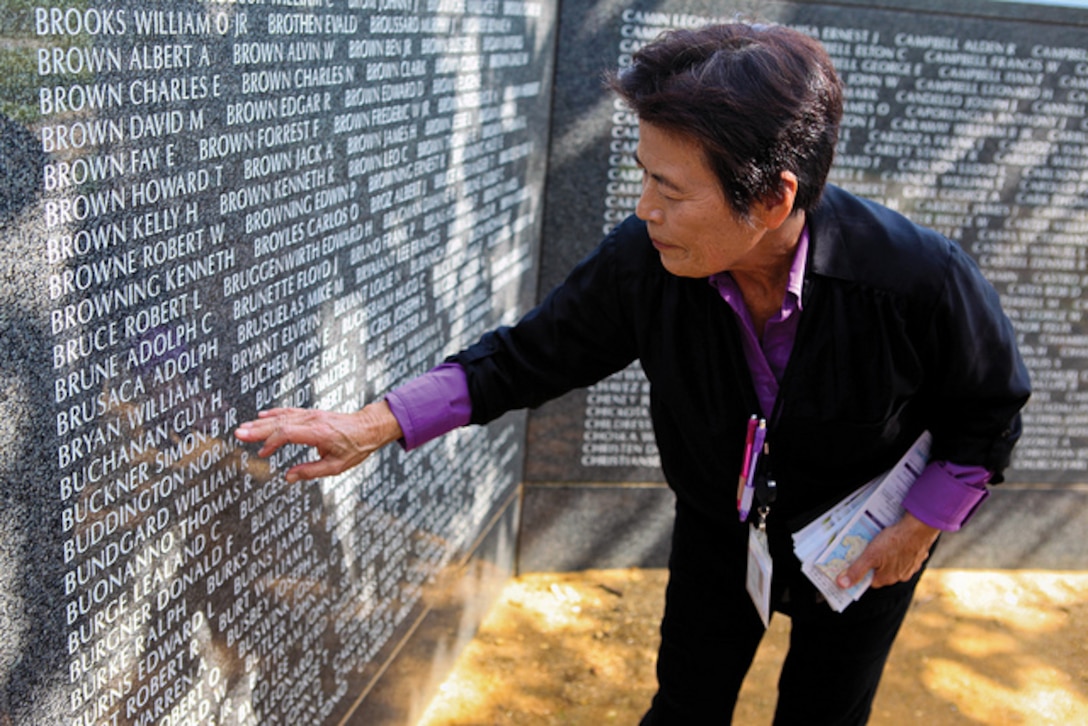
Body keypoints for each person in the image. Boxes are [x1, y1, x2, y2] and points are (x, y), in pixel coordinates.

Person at [235, 22, 1031, 724]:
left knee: (825, 712)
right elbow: (525, 357)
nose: (644, 208)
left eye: (669, 188)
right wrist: (371, 424)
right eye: (643, 176)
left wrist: (920, 525)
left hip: (866, 542)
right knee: (685, 704)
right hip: (723, 533)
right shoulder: (643, 260)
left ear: (773, 197)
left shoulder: (915, 278)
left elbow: (989, 406)